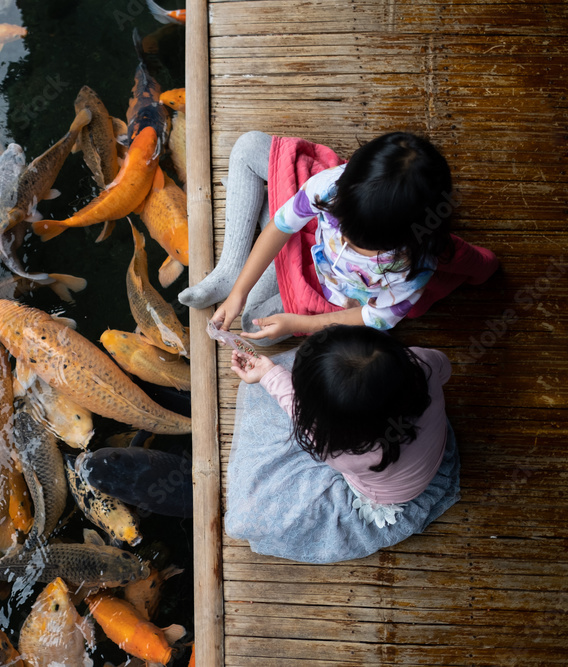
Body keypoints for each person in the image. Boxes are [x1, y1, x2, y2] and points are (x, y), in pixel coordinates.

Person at [178, 131, 460, 345]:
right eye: (344, 229)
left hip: (328, 289)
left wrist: (298, 324)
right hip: (310, 232)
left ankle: (262, 208)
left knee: (255, 330)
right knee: (248, 146)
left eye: (360, 245)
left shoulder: (412, 271)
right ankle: (230, 269)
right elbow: (281, 227)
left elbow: (371, 319)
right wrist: (238, 292)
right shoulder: (332, 186)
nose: (346, 242)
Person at [223, 325, 460, 563]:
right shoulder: (422, 363)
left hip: (387, 493)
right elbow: (444, 371)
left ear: (333, 424)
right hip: (428, 455)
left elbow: (298, 414)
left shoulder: (339, 451)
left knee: (250, 516)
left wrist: (270, 374)